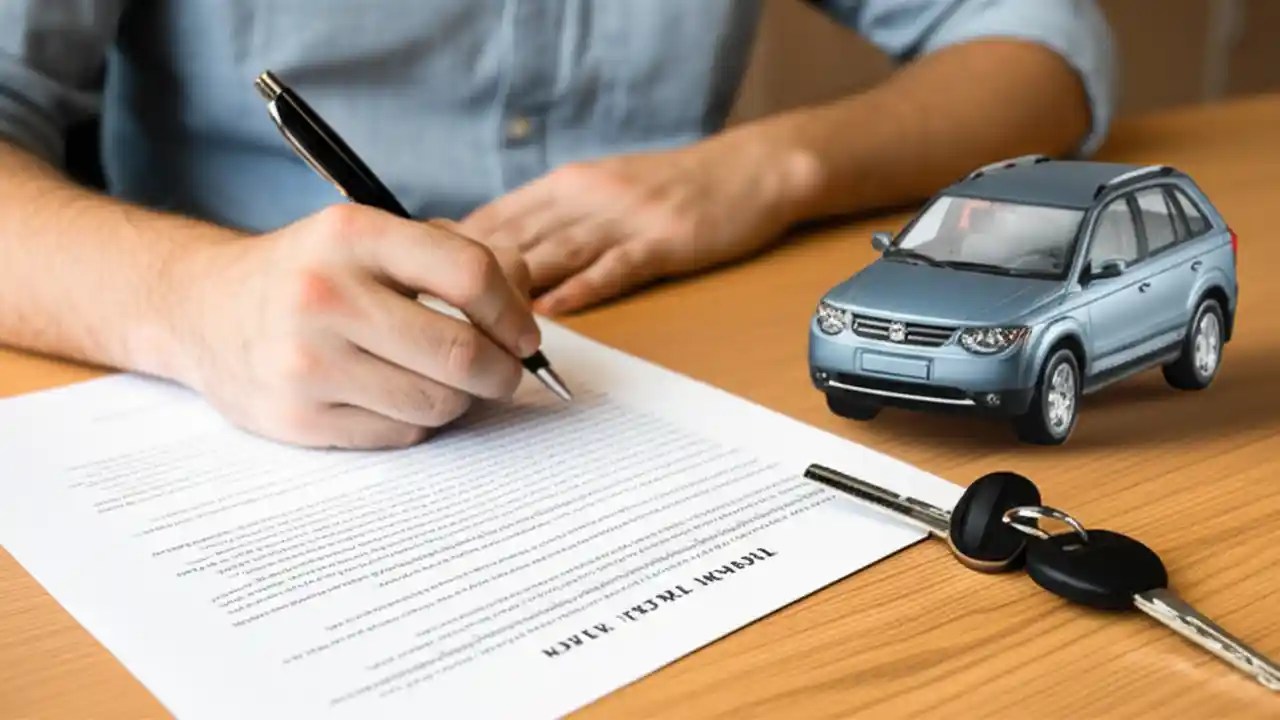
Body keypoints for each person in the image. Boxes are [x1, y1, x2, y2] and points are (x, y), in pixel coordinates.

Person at [0, 1, 1114, 449]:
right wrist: (196, 304)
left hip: (678, 341)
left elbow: (1044, 45)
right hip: (216, 391)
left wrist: (770, 164)